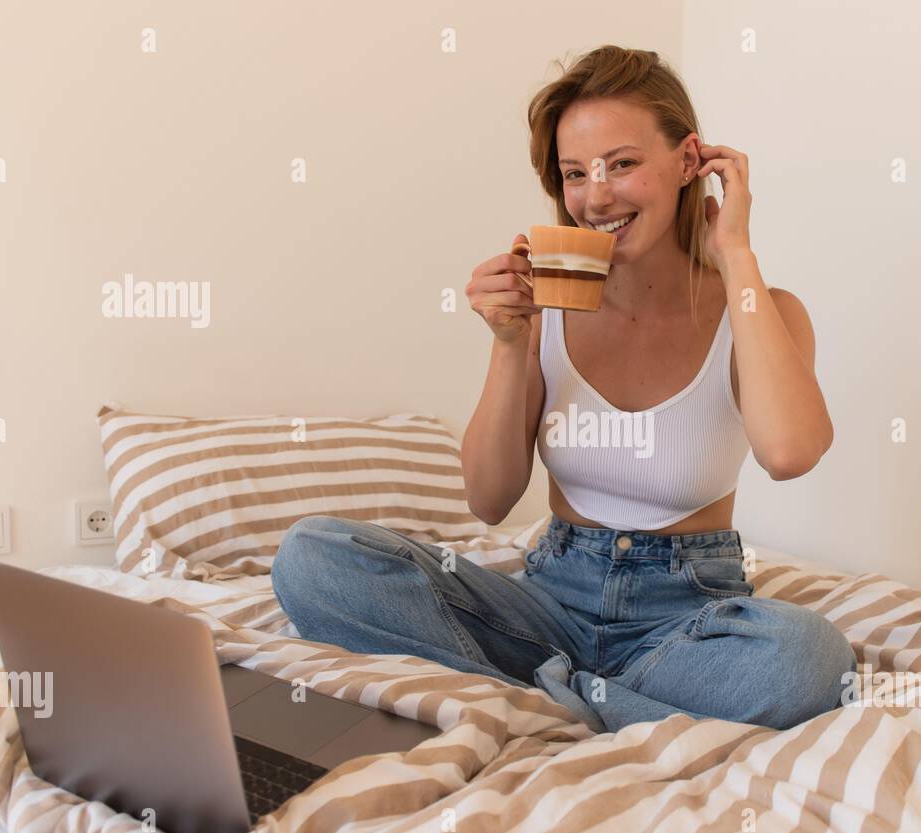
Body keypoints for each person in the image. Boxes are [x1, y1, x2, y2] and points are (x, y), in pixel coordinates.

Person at [272, 45, 856, 735]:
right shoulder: (546, 308)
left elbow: (791, 452)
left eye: (624, 163)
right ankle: (599, 699)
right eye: (575, 173)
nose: (596, 195)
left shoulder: (760, 308)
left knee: (810, 659)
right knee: (312, 557)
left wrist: (735, 253)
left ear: (688, 162)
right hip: (547, 601)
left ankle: (542, 698)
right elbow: (489, 501)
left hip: (688, 615)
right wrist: (509, 341)